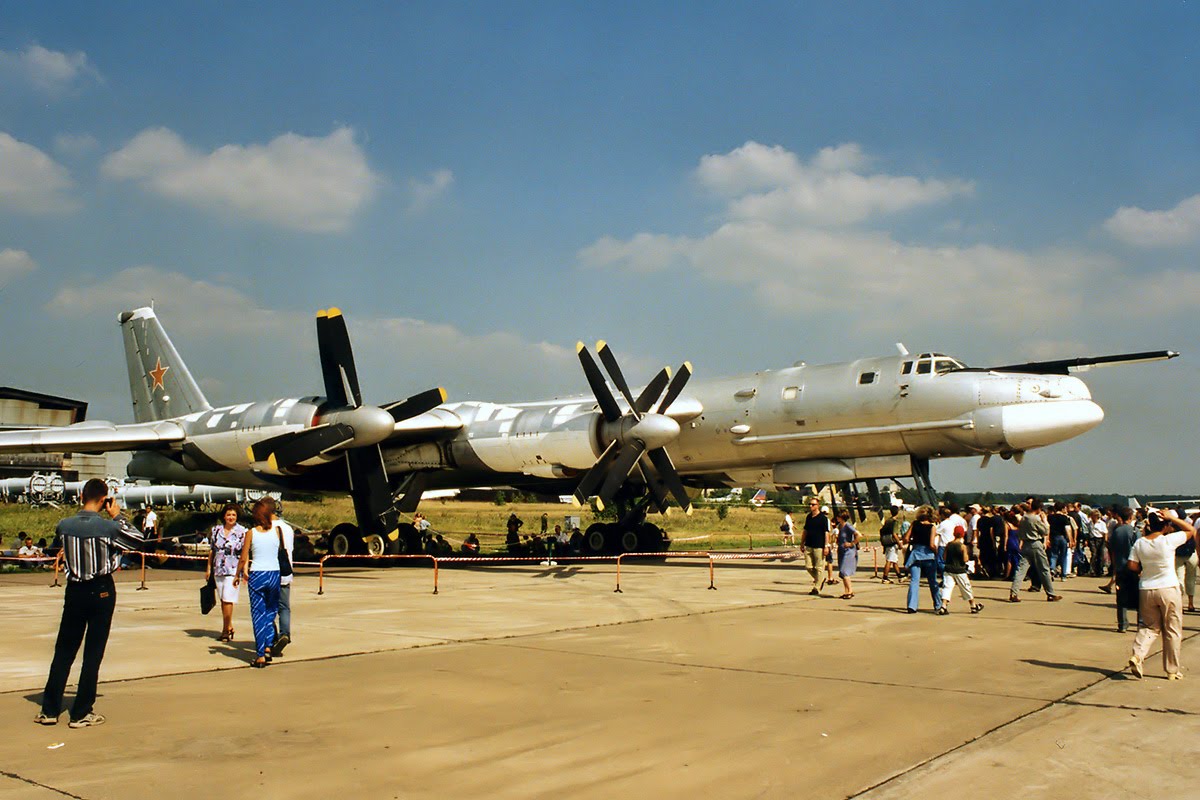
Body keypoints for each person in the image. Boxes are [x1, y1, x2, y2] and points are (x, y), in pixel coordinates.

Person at [35, 479, 145, 728]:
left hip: (74, 590)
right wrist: (118, 516)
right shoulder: (108, 527)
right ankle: (81, 711)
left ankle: (49, 709)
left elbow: (55, 549)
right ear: (106, 499)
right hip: (101, 589)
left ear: (82, 495)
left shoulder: (64, 525)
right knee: (93, 653)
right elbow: (138, 540)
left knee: (64, 650)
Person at [1127, 510, 1196, 679]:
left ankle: (1138, 655)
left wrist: (1143, 570)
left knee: (1149, 627)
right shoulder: (1168, 540)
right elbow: (1191, 531)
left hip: (1146, 589)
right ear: (1165, 526)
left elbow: (1132, 565)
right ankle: (1172, 670)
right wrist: (1172, 518)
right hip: (1168, 588)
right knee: (1172, 629)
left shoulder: (1140, 543)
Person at [237, 499, 283, 668]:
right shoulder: (277, 531)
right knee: (271, 611)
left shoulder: (251, 533)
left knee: (258, 613)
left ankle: (260, 654)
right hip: (274, 573)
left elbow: (243, 557)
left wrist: (238, 574)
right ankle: (269, 646)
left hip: (257, 573)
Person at [206, 503, 246, 642]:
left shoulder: (242, 532)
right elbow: (212, 550)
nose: (231, 517)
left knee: (229, 599)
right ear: (224, 516)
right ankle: (229, 625)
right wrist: (208, 568)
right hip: (219, 568)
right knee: (223, 599)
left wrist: (244, 571)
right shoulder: (216, 530)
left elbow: (244, 554)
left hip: (233, 569)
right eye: (228, 515)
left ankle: (225, 630)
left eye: (233, 515)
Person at [1009, 498, 1062, 603]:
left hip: (1026, 544)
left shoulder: (1024, 518)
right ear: (1038, 508)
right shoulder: (1035, 519)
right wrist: (1045, 521)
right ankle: (1050, 593)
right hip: (1035, 543)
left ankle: (1014, 592)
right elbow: (1045, 531)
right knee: (1044, 569)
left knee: (1021, 570)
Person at [905, 506, 943, 614]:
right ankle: (938, 604)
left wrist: (913, 541)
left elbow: (906, 538)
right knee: (932, 581)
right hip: (928, 555)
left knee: (914, 581)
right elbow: (931, 544)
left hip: (915, 554)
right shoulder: (932, 527)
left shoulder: (914, 524)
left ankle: (912, 605)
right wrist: (935, 552)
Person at [1107, 506, 1139, 632]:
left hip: (1120, 566)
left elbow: (1112, 550)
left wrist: (1115, 566)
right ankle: (1140, 622)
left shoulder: (1116, 531)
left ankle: (1122, 624)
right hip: (1133, 566)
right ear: (1130, 517)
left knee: (1121, 597)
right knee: (1137, 596)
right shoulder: (1135, 531)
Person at [269, 498, 295, 657]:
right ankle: (285, 634)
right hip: (286, 572)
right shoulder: (288, 528)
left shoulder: (264, 529)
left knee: (268, 608)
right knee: (284, 608)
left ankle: (272, 639)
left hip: (270, 572)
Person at [943, 527, 984, 614]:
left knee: (947, 587)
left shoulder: (948, 545)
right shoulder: (962, 546)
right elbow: (965, 559)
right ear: (962, 534)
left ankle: (943, 606)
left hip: (948, 569)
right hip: (959, 570)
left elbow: (944, 557)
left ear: (954, 533)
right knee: (966, 587)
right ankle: (973, 605)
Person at [801, 499, 831, 596]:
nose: (811, 506)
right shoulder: (809, 517)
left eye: (813, 504)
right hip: (809, 544)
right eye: (810, 504)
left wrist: (826, 546)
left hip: (819, 546)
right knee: (808, 566)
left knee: (819, 567)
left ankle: (817, 588)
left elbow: (826, 533)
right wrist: (802, 543)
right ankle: (820, 579)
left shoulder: (823, 518)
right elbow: (805, 530)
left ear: (817, 505)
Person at [878, 506, 908, 584]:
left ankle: (899, 576)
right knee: (889, 560)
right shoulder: (895, 522)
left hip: (887, 542)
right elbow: (894, 534)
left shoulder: (887, 521)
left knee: (894, 560)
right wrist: (899, 543)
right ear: (897, 512)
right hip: (892, 543)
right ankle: (885, 577)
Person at [1175, 521, 1198, 614]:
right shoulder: (1190, 525)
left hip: (1178, 556)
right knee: (1191, 579)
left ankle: (1179, 603)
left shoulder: (1174, 529)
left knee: (1179, 578)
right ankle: (1190, 603)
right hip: (1191, 555)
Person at [835, 511, 858, 599]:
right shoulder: (839, 526)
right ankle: (847, 591)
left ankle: (850, 591)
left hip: (848, 551)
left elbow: (858, 534)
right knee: (841, 572)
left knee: (844, 571)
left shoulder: (848, 526)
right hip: (841, 551)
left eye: (838, 516)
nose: (837, 518)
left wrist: (852, 543)